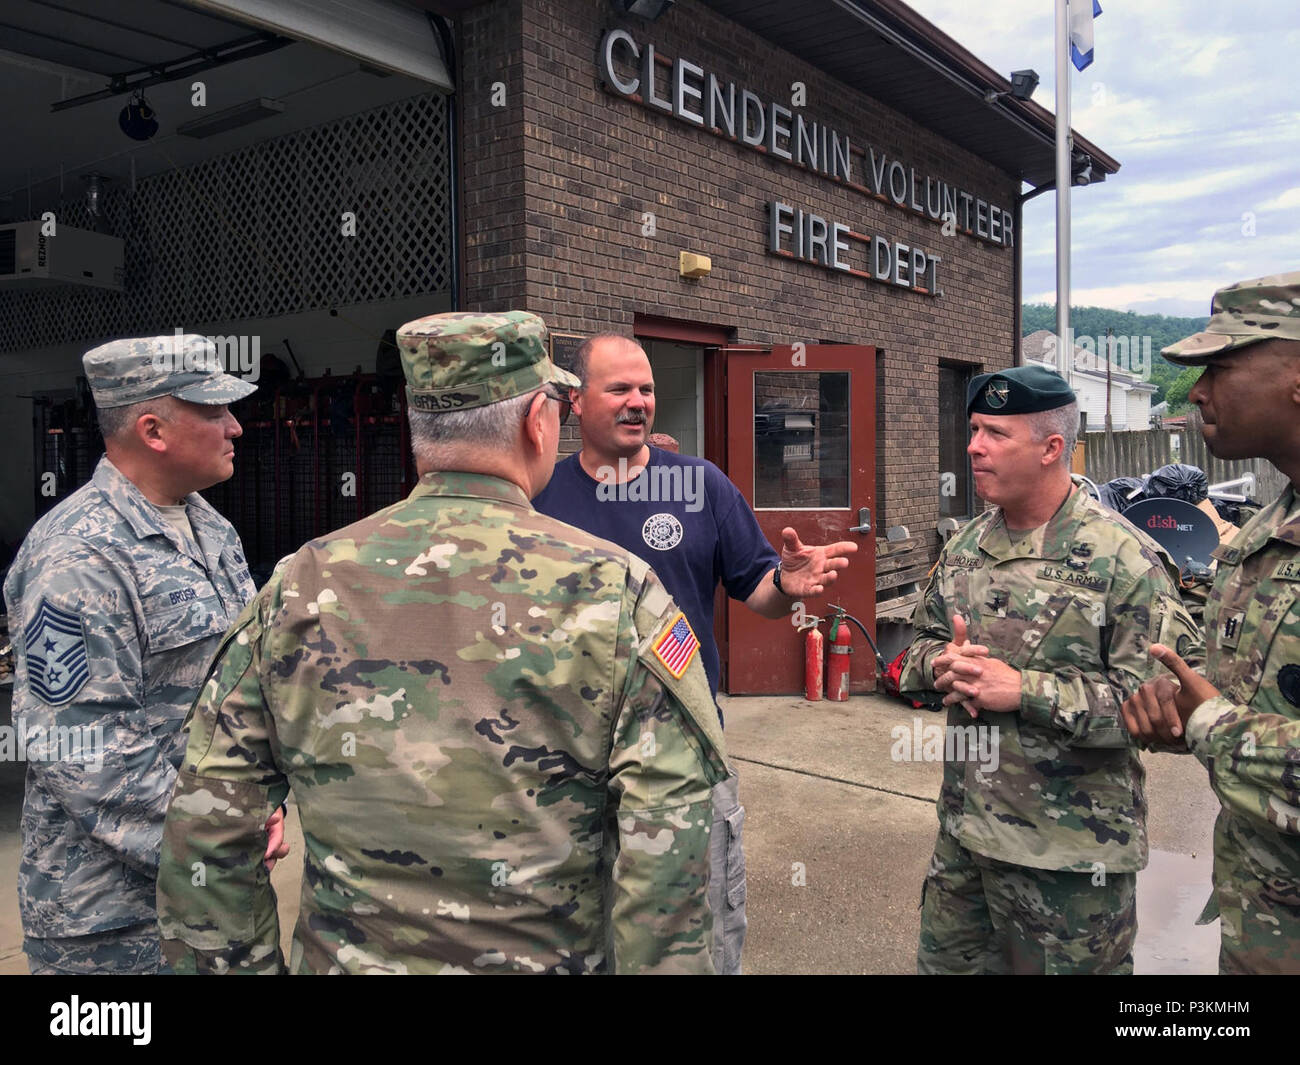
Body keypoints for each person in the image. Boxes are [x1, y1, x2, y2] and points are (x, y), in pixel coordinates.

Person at [155, 311, 728, 974]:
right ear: (534, 423)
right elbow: (669, 857)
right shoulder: (618, 594)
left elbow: (208, 828)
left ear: (416, 427)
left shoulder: (299, 586)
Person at [532, 333, 857, 974]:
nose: (637, 403)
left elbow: (756, 585)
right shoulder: (541, 497)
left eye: (646, 390)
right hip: (568, 755)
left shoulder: (699, 486)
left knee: (699, 930)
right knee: (574, 924)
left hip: (686, 749)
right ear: (575, 401)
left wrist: (784, 585)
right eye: (619, 389)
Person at [897, 364, 1202, 974]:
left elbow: (1171, 713)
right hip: (965, 841)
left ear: (1051, 448)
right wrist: (941, 666)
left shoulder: (1123, 559)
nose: (974, 447)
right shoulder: (965, 545)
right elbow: (916, 650)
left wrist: (1028, 691)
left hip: (1070, 861)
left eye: (995, 434)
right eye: (974, 430)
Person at [3, 333, 283, 975]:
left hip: (216, 882)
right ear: (153, 430)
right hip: (115, 918)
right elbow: (82, 746)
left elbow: (238, 682)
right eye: (215, 412)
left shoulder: (208, 527)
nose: (236, 427)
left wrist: (260, 807)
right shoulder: (77, 556)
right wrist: (220, 834)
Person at [1120, 271, 1300, 974]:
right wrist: (1176, 711)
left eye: (1220, 366)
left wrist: (1210, 723)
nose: (1197, 390)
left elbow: (1223, 720)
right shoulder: (1260, 534)